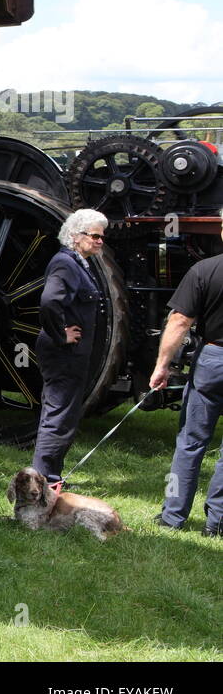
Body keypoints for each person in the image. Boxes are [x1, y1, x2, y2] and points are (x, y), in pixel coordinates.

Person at [149, 208, 223, 536]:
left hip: (212, 359)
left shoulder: (204, 270)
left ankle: (173, 516)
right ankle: (217, 523)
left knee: (191, 442)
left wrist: (162, 366)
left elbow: (179, 321)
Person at [31, 208, 108, 481]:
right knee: (59, 415)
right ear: (76, 236)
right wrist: (60, 334)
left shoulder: (78, 263)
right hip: (63, 352)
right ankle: (44, 480)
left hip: (71, 353)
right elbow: (50, 301)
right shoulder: (66, 263)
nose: (100, 241)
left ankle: (48, 475)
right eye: (95, 236)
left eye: (102, 237)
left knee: (62, 414)